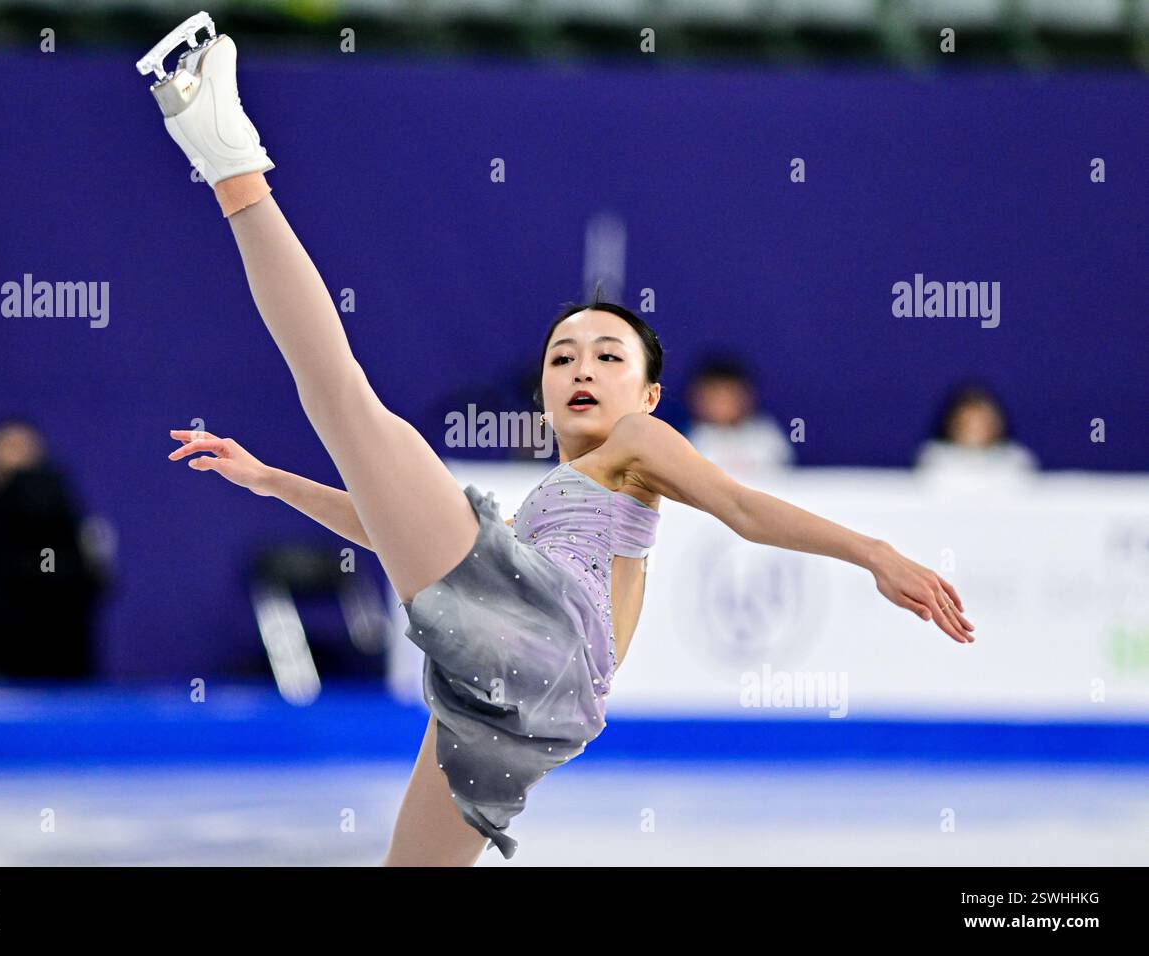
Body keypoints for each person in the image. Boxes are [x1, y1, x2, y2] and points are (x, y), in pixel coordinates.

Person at [145, 23, 974, 866]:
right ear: (540, 388)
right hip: (528, 700)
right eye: (562, 357)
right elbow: (393, 531)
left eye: (608, 357)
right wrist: (274, 482)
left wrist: (875, 553)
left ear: (649, 393)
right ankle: (218, 150)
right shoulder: (549, 506)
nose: (582, 368)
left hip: (545, 647)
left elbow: (739, 505)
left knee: (344, 400)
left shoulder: (637, 441)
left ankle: (228, 158)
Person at [0, 418, 108, 680]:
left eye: (22, 449)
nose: (14, 458)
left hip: (63, 672)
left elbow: (96, 582)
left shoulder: (64, 520)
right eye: (6, 448)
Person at [684, 356, 793, 478]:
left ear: (747, 397)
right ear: (698, 400)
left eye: (729, 396)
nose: (723, 404)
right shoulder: (691, 439)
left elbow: (783, 476)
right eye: (715, 397)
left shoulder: (766, 434)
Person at [915, 383, 1038, 479]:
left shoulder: (1015, 460)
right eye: (967, 423)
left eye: (982, 423)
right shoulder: (934, 459)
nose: (975, 429)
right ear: (951, 424)